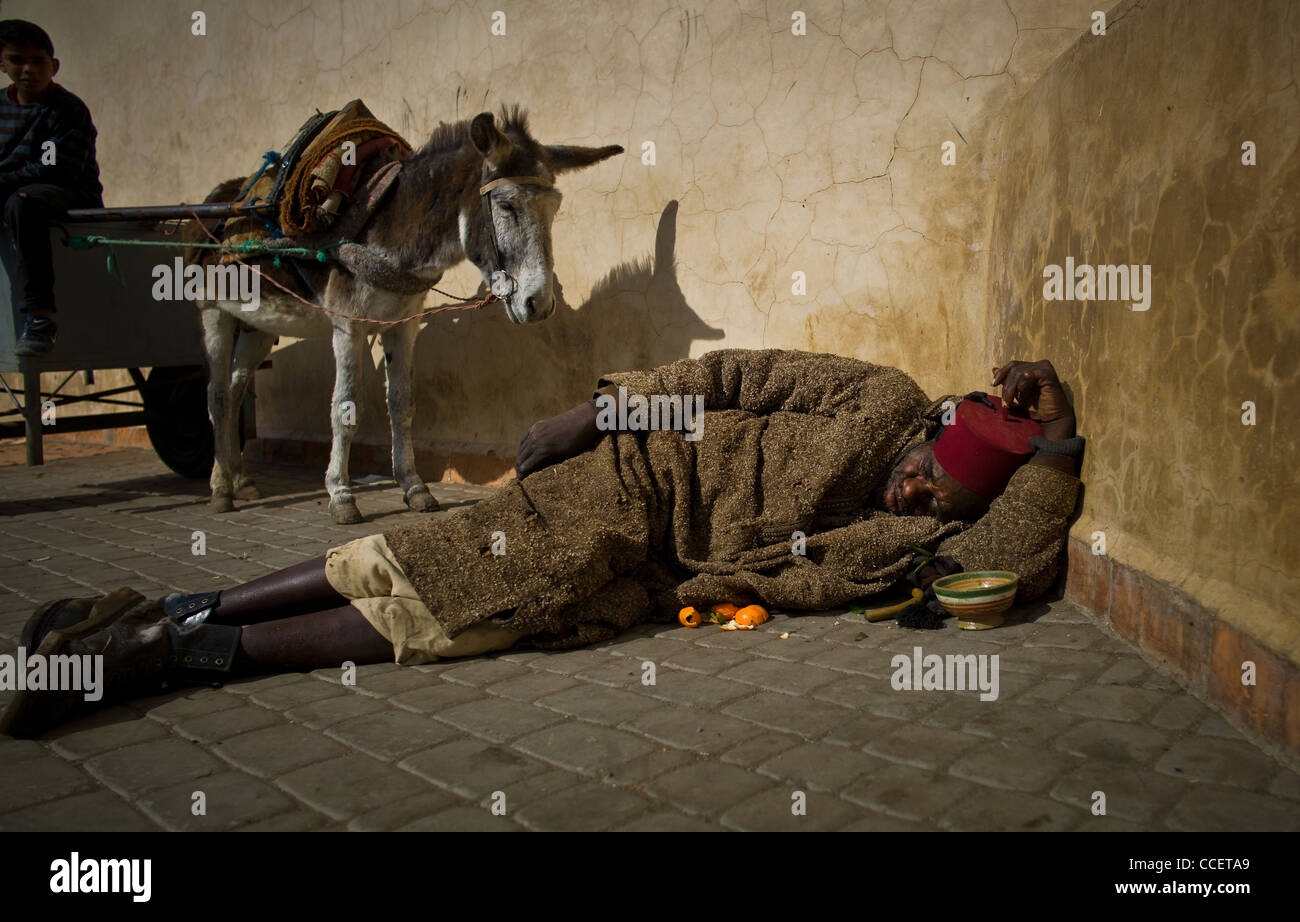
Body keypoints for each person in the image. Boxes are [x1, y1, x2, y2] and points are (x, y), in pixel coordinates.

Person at [1, 350, 1083, 737]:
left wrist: (1057, 446)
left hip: (655, 564)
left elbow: (1022, 541)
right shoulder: (879, 393)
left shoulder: (911, 540)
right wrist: (596, 415)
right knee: (465, 586)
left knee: (472, 586)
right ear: (935, 429)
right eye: (922, 477)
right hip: (639, 473)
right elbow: (725, 376)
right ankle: (172, 640)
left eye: (935, 505)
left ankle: (162, 628)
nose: (911, 497)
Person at [0, 19, 104, 357]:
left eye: (38, 61)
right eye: (17, 60)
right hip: (14, 190)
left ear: (53, 66)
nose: (28, 69)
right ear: (2, 65)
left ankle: (40, 316)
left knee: (23, 203)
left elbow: (54, 168)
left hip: (68, 194)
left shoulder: (67, 110)